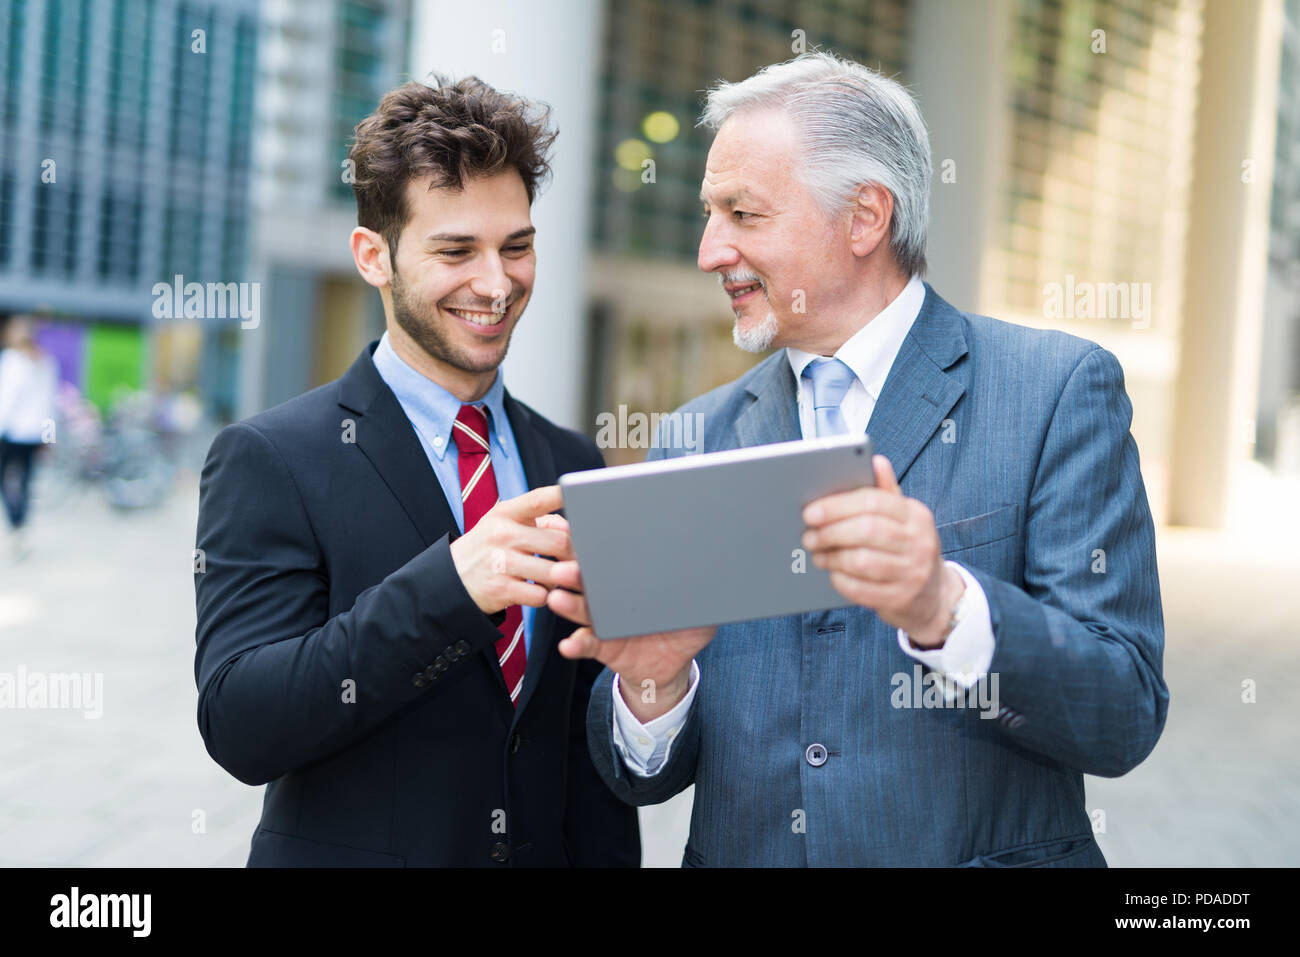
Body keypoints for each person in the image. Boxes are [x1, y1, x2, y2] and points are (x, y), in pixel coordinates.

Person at [553, 52, 1169, 867]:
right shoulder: (692, 435)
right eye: (710, 214)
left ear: (865, 216)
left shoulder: (1054, 391)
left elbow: (1121, 713)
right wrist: (654, 686)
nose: (709, 250)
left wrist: (944, 606)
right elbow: (644, 779)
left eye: (742, 213)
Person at [193, 76, 639, 866]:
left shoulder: (571, 461)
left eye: (517, 246)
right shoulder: (272, 457)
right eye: (456, 250)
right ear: (374, 257)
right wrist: (450, 588)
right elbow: (242, 725)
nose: (497, 284)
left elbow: (575, 738)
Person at [0, 315, 58, 560]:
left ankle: (17, 524)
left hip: (13, 432)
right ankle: (21, 526)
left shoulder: (13, 360)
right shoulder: (46, 362)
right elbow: (49, 404)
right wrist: (49, 438)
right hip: (35, 434)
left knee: (5, 479)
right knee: (25, 481)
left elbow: (6, 399)